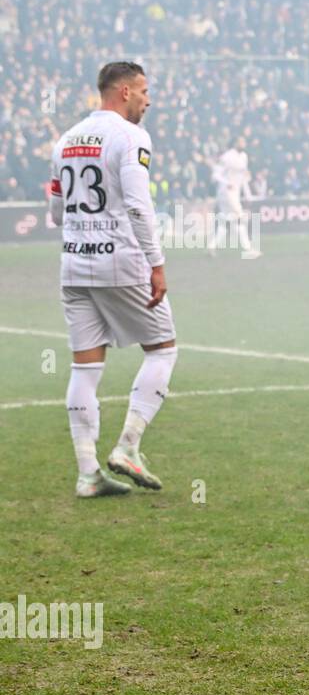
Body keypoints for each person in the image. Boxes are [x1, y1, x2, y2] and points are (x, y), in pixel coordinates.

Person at [50, 61, 178, 498]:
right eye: (144, 91)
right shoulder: (130, 137)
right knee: (163, 349)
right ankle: (128, 445)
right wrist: (156, 264)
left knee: (85, 366)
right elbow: (139, 207)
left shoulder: (65, 140)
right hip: (120, 261)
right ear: (123, 92)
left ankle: (88, 475)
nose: (148, 99)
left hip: (74, 263)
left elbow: (55, 210)